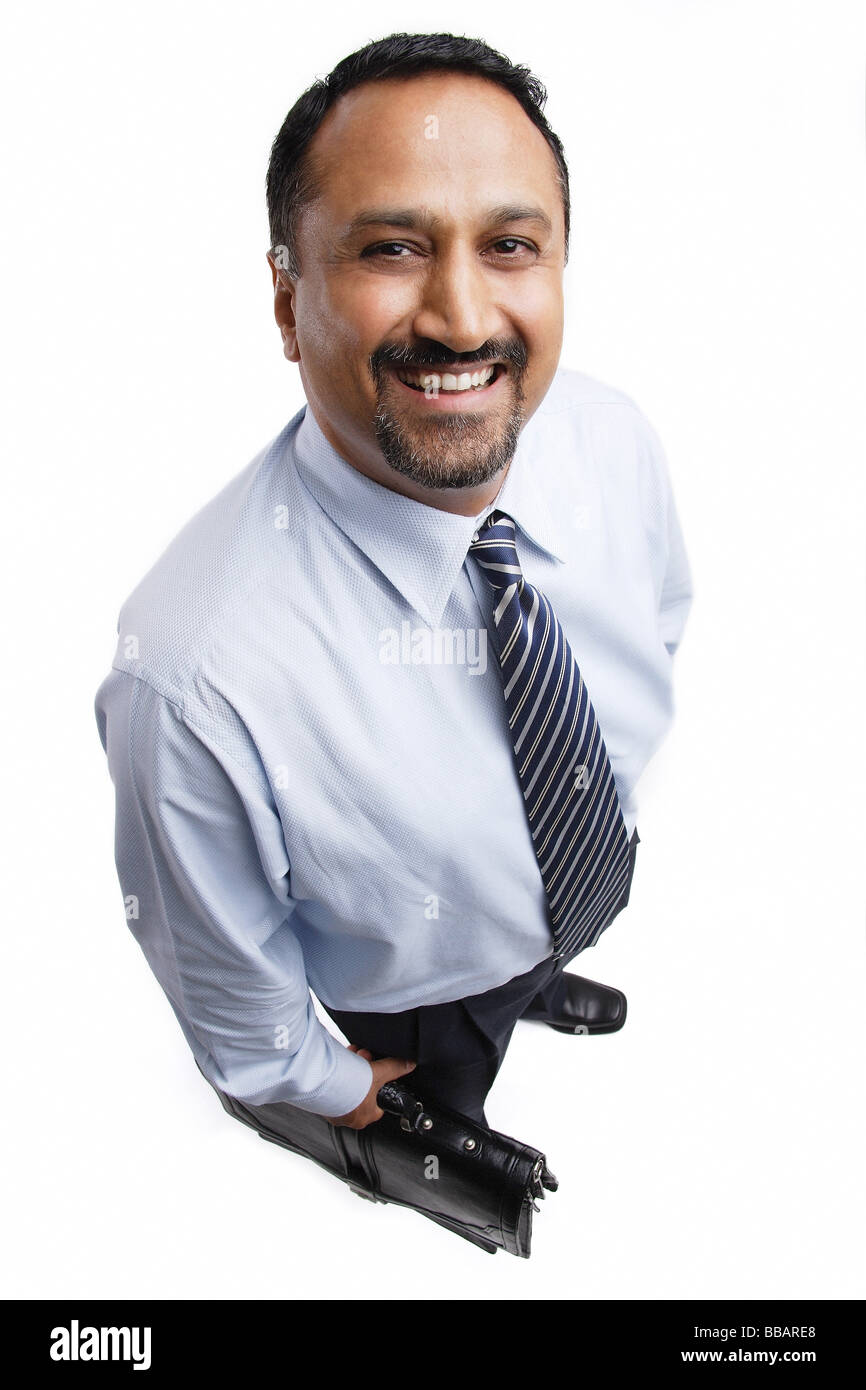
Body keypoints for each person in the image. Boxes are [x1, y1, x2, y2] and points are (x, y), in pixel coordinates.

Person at [94, 32, 692, 1140]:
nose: (463, 319)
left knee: (534, 929)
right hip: (414, 1003)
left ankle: (539, 962)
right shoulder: (191, 679)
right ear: (286, 301)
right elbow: (235, 995)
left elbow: (654, 623)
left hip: (575, 875)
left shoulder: (609, 437)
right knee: (442, 1085)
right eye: (389, 249)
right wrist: (337, 1088)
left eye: (509, 244)